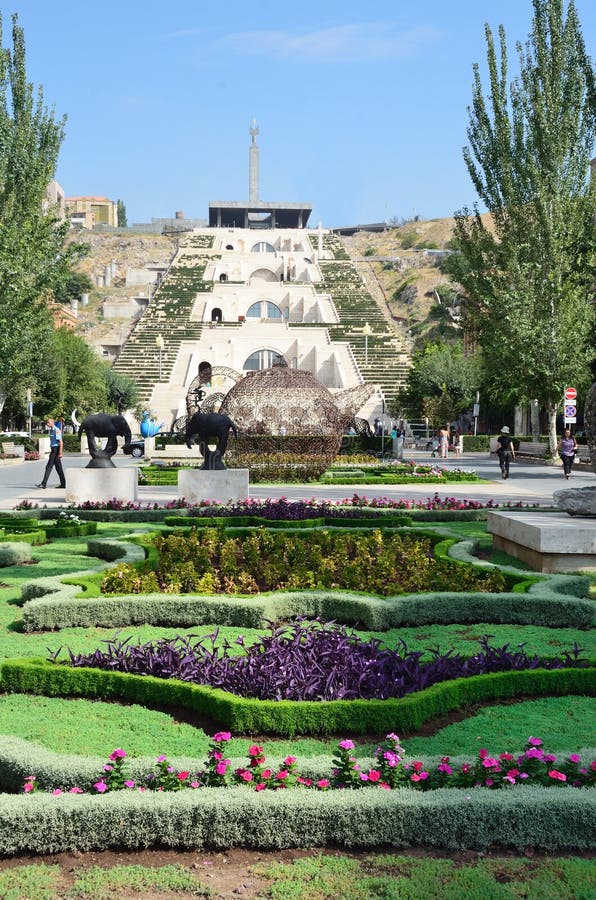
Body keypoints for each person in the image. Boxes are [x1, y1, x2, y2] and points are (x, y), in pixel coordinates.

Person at [36, 416, 66, 489]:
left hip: (56, 450)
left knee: (49, 467)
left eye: (48, 422)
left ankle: (44, 483)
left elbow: (61, 442)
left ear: (52, 423)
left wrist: (60, 453)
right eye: (47, 422)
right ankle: (63, 484)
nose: (47, 423)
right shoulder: (51, 430)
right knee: (59, 468)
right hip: (53, 449)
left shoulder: (57, 430)